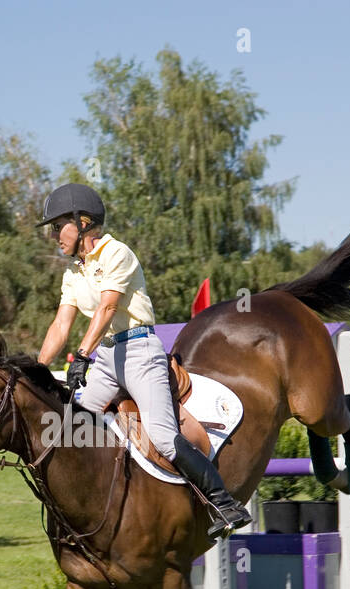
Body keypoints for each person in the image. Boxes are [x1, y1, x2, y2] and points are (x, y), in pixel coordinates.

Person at [35, 183, 250, 539]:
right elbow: (61, 324)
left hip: (139, 352)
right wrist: (37, 370)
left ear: (83, 222)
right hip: (106, 357)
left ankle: (224, 503)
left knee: (164, 438)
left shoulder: (117, 253)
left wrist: (82, 355)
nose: (54, 235)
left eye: (59, 226)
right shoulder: (73, 272)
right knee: (71, 428)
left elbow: (107, 307)